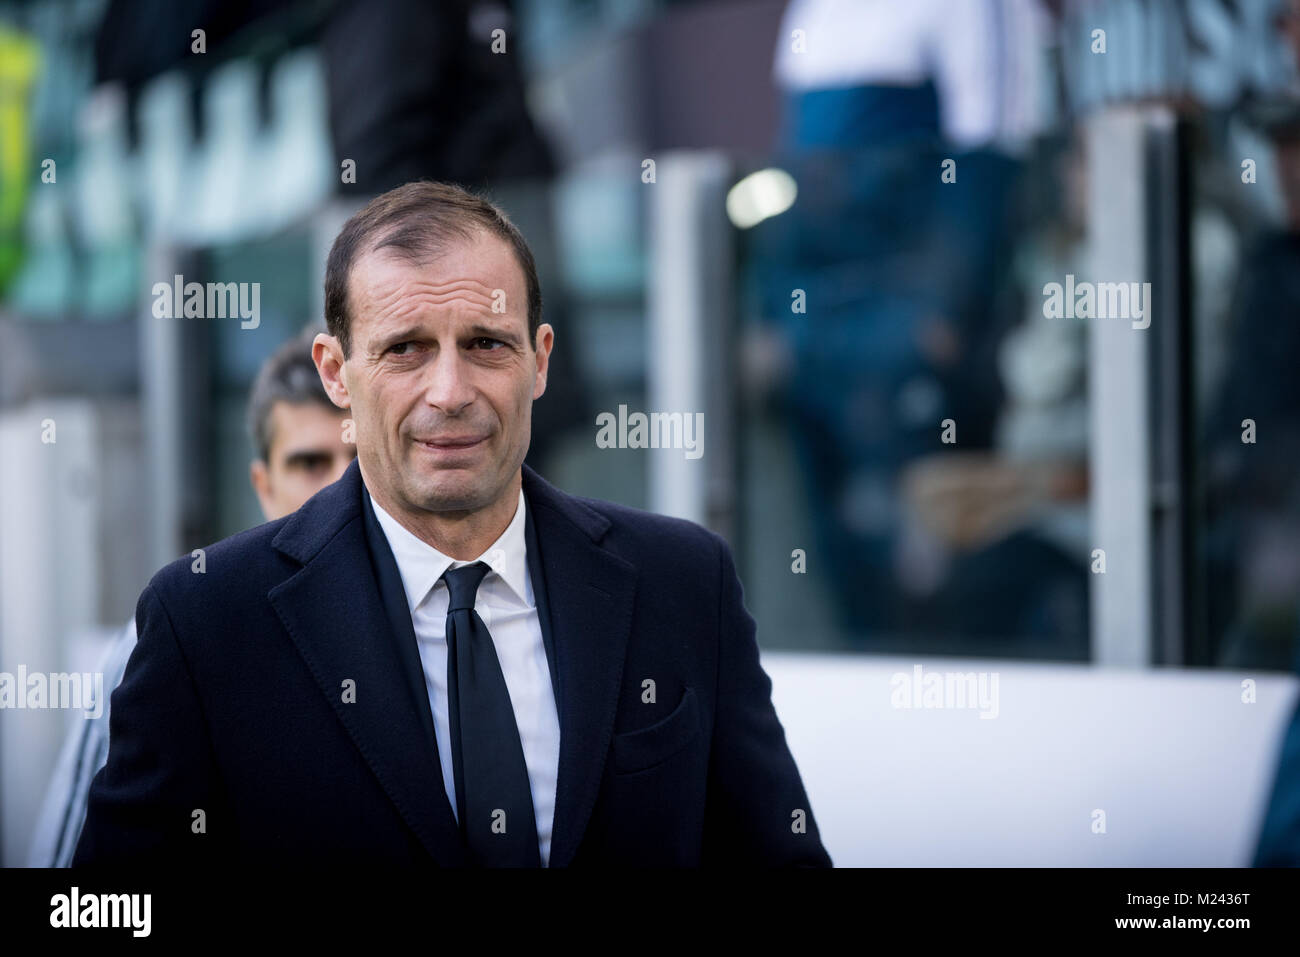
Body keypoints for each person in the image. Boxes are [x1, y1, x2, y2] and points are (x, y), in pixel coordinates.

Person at [73, 181, 832, 868]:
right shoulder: (206, 621)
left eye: (485, 344)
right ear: (337, 372)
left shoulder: (682, 581)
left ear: (539, 360)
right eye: (405, 349)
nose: (450, 391)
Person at [27, 326, 356, 867]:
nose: (339, 487)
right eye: (309, 463)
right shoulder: (182, 632)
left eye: (357, 460)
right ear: (262, 483)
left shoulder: (432, 623)